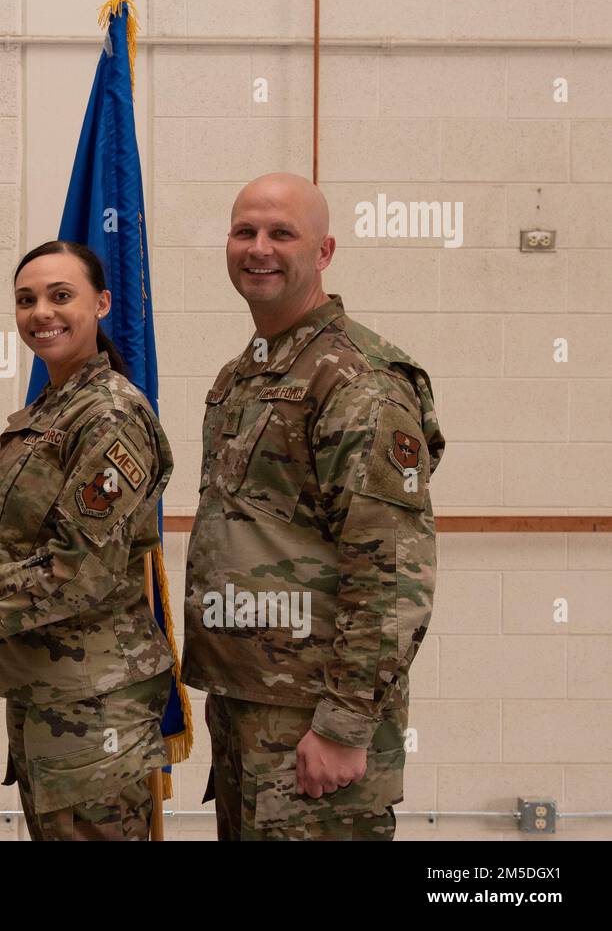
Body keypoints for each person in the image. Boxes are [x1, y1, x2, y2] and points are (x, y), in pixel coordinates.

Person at [184, 172, 444, 841]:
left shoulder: (358, 378)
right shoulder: (244, 375)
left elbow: (390, 571)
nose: (259, 248)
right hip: (247, 710)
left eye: (281, 232)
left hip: (311, 721)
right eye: (245, 231)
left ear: (323, 252)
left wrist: (343, 724)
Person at [0, 241, 174, 840]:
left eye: (60, 296)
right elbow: (10, 541)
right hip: (44, 687)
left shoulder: (109, 416)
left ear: (100, 305)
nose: (41, 312)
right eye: (27, 300)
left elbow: (83, 571)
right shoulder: (47, 413)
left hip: (96, 701)